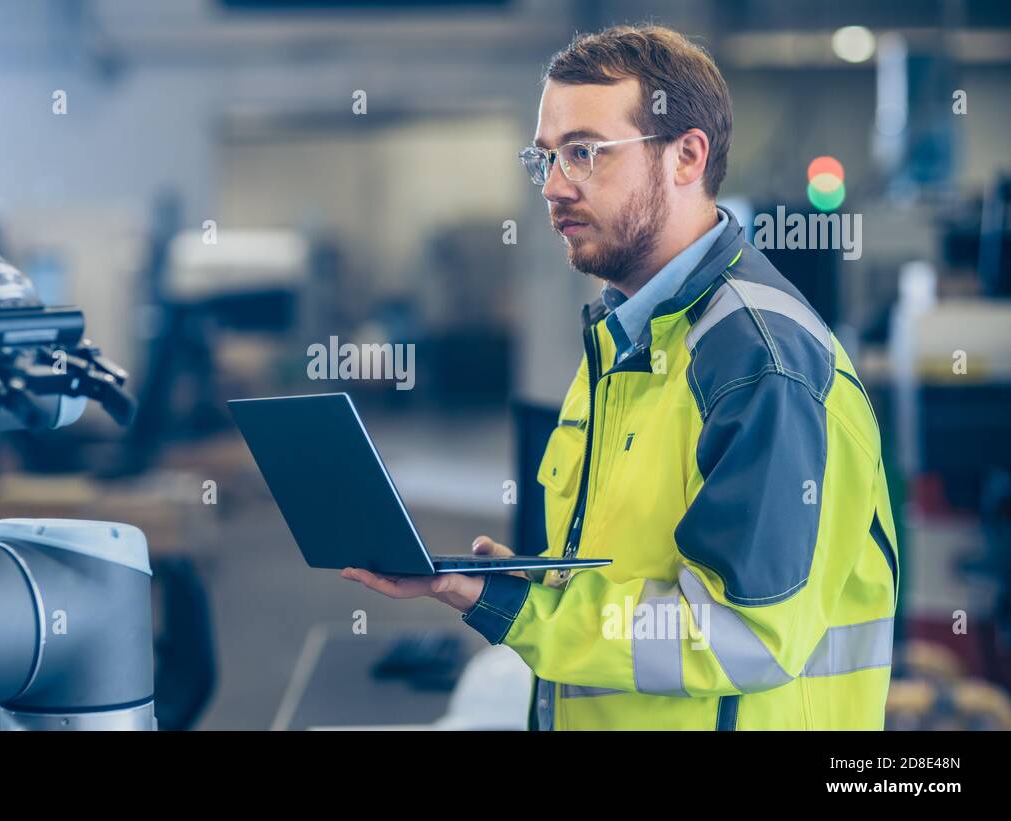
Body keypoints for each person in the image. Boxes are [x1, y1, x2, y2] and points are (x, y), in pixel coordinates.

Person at [342, 24, 898, 730]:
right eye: (543, 158)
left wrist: (511, 605)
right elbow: (620, 579)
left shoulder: (759, 363)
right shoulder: (624, 335)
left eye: (584, 154)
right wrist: (505, 582)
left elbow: (739, 634)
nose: (552, 187)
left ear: (686, 156)